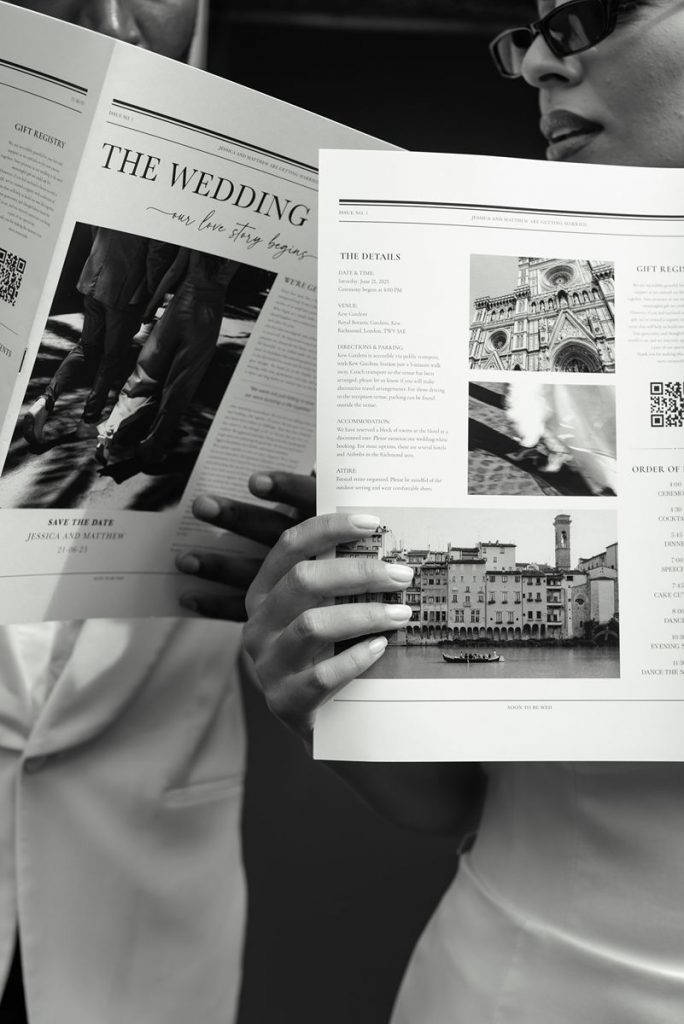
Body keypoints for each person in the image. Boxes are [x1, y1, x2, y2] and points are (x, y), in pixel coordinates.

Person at [181, 2, 684, 1020]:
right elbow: (449, 803)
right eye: (531, 29)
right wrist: (338, 675)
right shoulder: (529, 313)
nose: (540, 61)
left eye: (595, 11)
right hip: (521, 983)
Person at [0, 4, 312, 1024]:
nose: (114, 15)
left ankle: (116, 435)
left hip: (143, 895)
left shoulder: (300, 166)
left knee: (168, 380)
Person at [22, 228, 177, 445]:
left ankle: (45, 400)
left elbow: (96, 230)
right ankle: (88, 422)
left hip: (95, 277)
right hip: (126, 293)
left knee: (85, 346)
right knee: (111, 358)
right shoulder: (159, 213)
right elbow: (156, 258)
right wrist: (153, 296)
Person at [95, 248, 241, 465]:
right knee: (180, 387)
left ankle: (110, 430)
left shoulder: (200, 237)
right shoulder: (239, 252)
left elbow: (173, 272)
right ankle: (151, 448)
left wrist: (152, 305)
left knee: (144, 372)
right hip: (207, 317)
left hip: (179, 308)